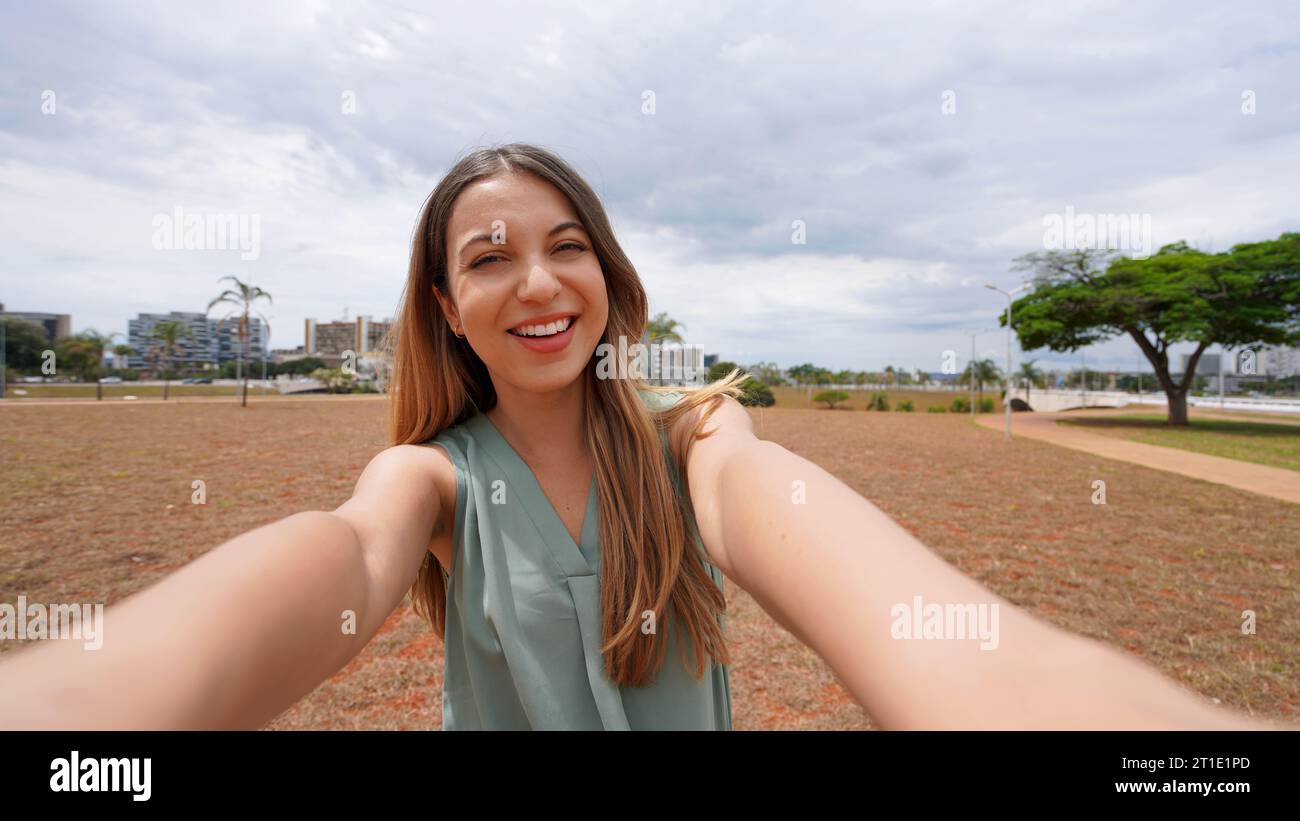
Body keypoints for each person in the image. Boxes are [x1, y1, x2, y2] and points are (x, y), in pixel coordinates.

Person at [0, 144, 1276, 730]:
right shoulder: (427, 477)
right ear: (446, 307)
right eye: (489, 257)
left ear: (609, 273)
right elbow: (336, 557)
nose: (539, 282)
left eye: (569, 246)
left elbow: (924, 625)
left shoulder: (697, 438)